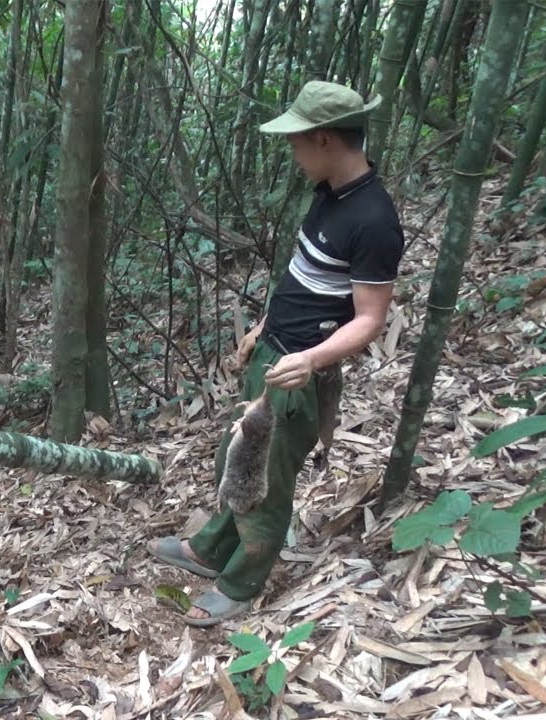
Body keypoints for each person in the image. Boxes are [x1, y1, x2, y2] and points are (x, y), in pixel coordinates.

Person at [146, 80, 405, 626]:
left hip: (297, 373)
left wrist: (312, 360)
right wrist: (261, 328)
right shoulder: (330, 195)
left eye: (298, 142)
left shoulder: (374, 220)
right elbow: (309, 279)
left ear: (327, 140)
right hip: (273, 352)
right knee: (235, 457)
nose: (292, 153)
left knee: (263, 480)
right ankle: (211, 549)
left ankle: (241, 583)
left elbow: (370, 319)